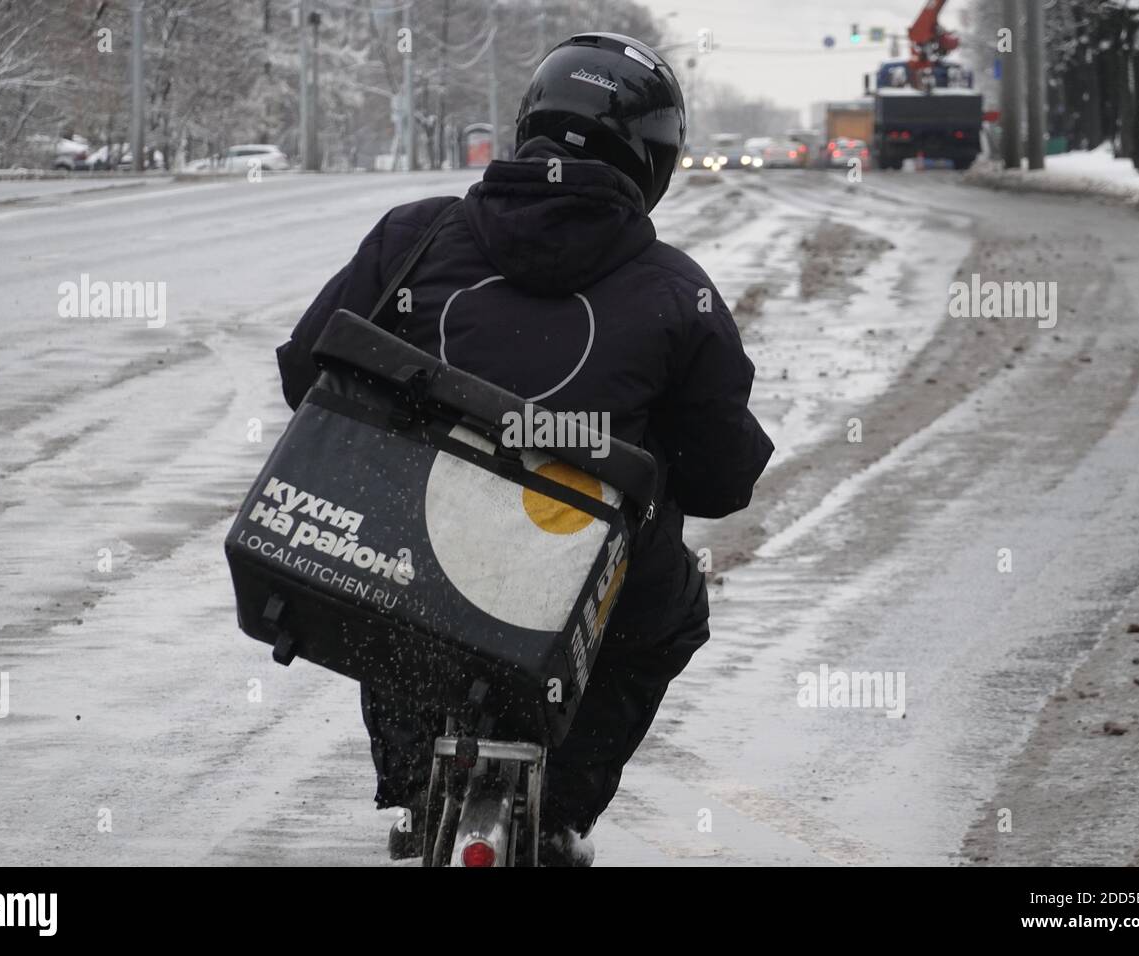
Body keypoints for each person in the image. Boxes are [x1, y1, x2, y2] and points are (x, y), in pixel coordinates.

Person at [275, 32, 773, 865]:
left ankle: (410, 776)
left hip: (419, 545)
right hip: (578, 568)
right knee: (669, 615)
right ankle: (560, 813)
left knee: (388, 571)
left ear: (528, 125)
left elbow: (303, 373)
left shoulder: (414, 237)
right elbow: (723, 479)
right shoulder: (677, 289)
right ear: (654, 161)